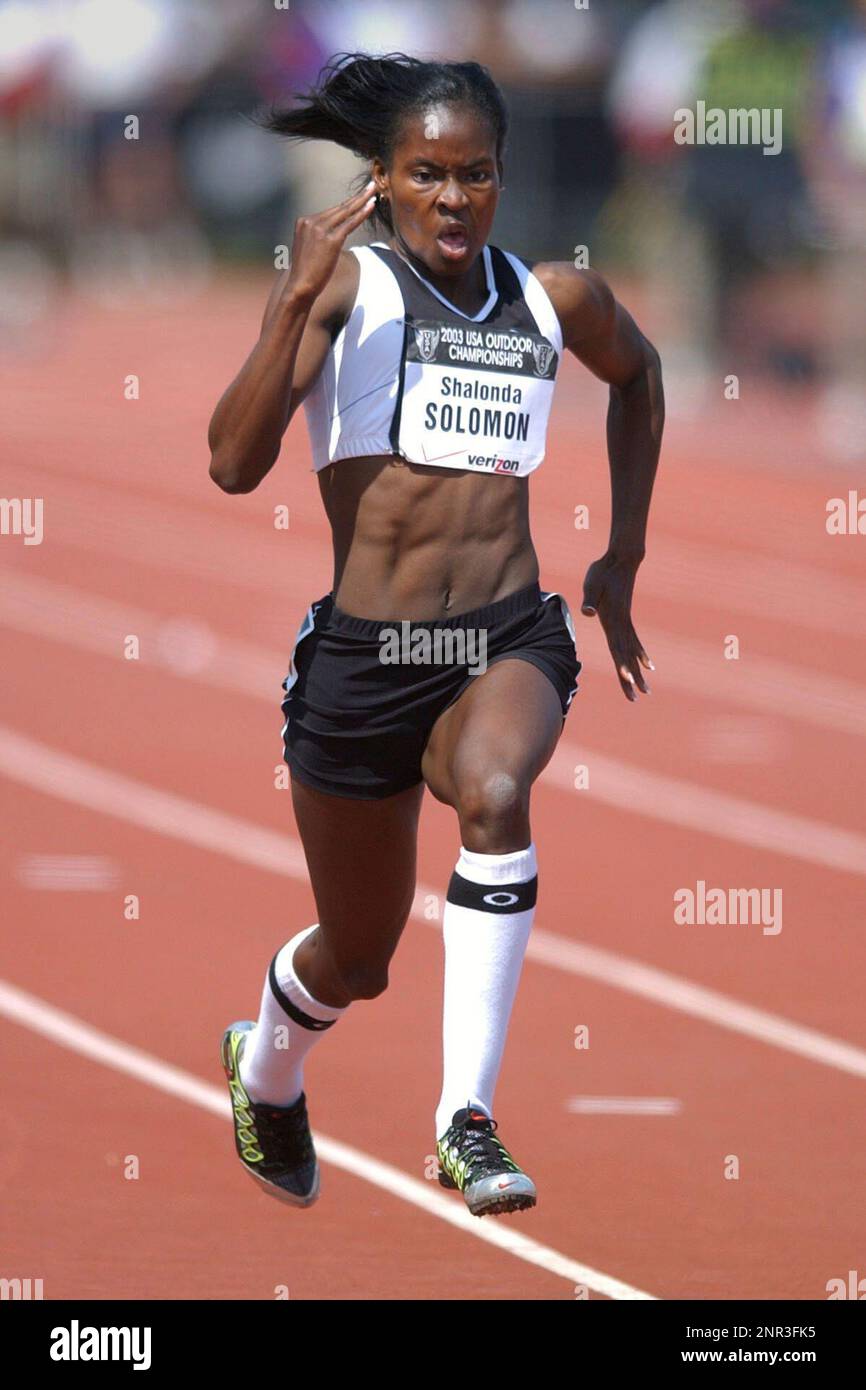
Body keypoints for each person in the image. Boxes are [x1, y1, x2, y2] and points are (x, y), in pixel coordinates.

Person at [208, 53, 663, 1219]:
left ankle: (464, 1115)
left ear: (502, 180)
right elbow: (230, 463)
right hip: (364, 663)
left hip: (502, 636)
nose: (454, 198)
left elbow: (641, 376)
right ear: (382, 181)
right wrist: (290, 300)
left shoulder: (552, 300)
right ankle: (265, 1069)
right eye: (427, 175)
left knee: (497, 789)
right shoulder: (345, 294)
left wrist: (620, 554)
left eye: (476, 174)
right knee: (357, 959)